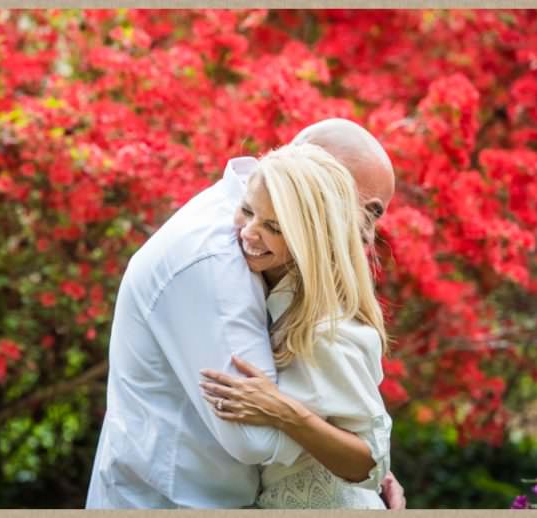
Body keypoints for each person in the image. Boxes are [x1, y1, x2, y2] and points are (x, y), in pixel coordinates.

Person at [85, 119, 404, 509]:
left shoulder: (319, 314)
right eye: (366, 209)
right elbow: (252, 440)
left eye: (374, 215)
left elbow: (364, 450)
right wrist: (348, 455)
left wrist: (355, 463)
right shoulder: (221, 259)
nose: (367, 232)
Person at [199, 142, 392, 508]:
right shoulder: (259, 287)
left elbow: (371, 464)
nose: (249, 233)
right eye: (247, 211)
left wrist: (285, 412)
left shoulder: (327, 330)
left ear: (311, 238)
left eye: (273, 226)